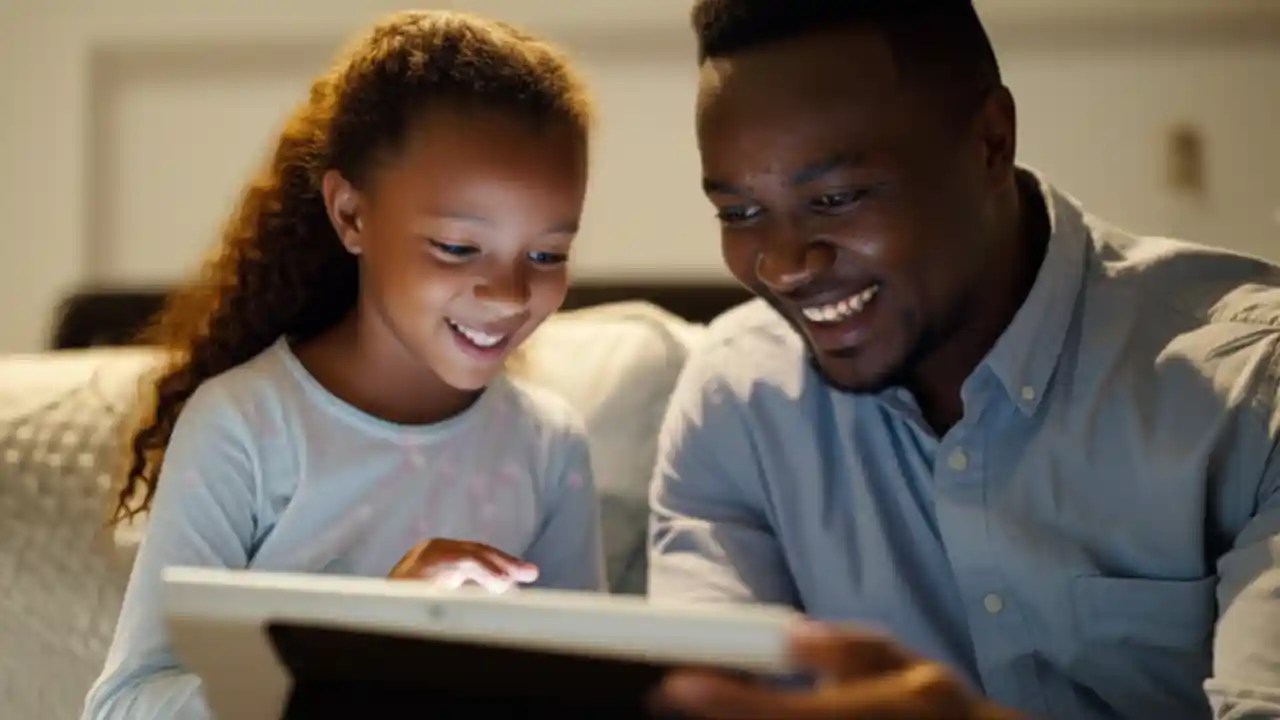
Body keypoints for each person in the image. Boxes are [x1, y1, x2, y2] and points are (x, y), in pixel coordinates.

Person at [648, 1, 1280, 718]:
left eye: (837, 197)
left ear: (989, 142)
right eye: (738, 213)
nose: (784, 266)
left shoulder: (1250, 388)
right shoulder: (740, 399)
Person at [83, 11, 605, 719]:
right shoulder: (247, 427)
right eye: (456, 246)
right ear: (352, 215)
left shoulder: (549, 447)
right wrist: (366, 641)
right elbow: (123, 706)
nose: (511, 293)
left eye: (546, 255)